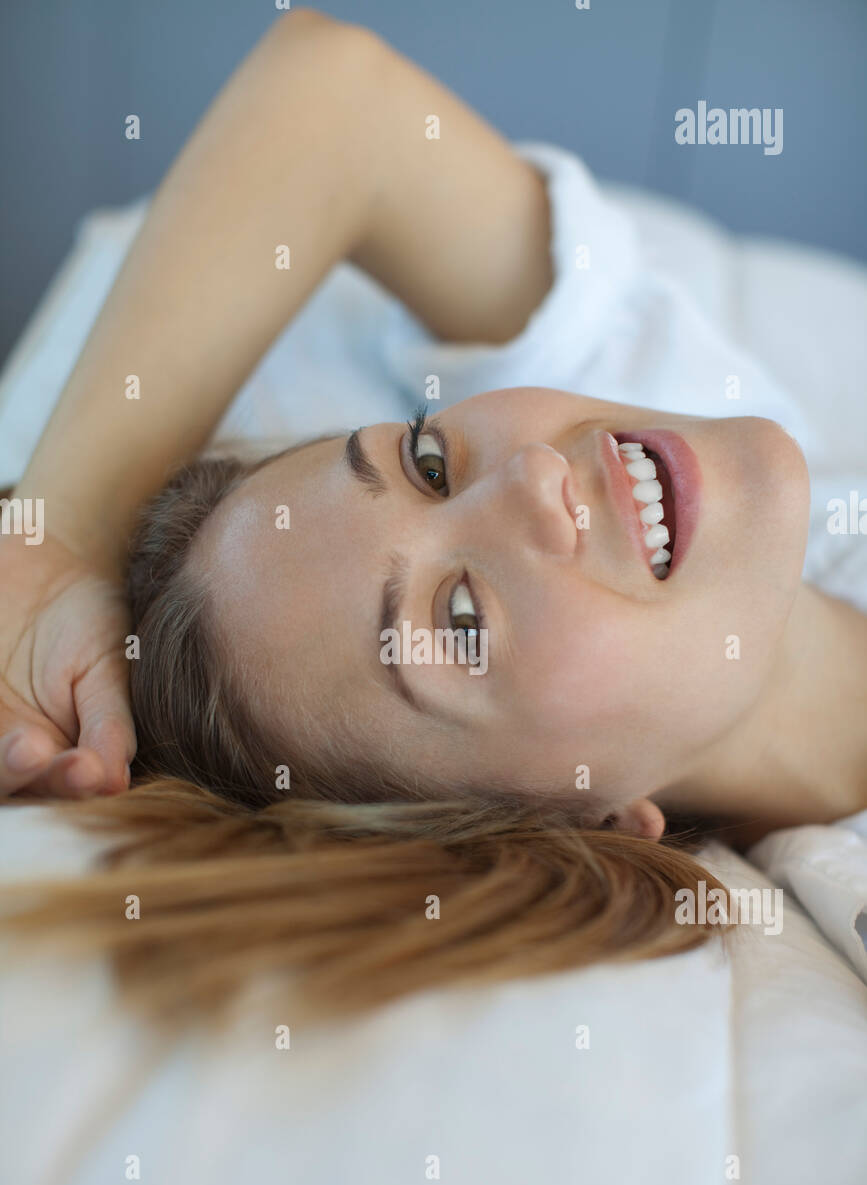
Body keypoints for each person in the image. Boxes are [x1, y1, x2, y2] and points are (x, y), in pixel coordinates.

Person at [1, 7, 865, 1027]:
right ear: (585, 817)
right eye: (461, 621)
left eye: (424, 461)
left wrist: (53, 536)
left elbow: (334, 97)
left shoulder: (649, 399)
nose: (536, 478)